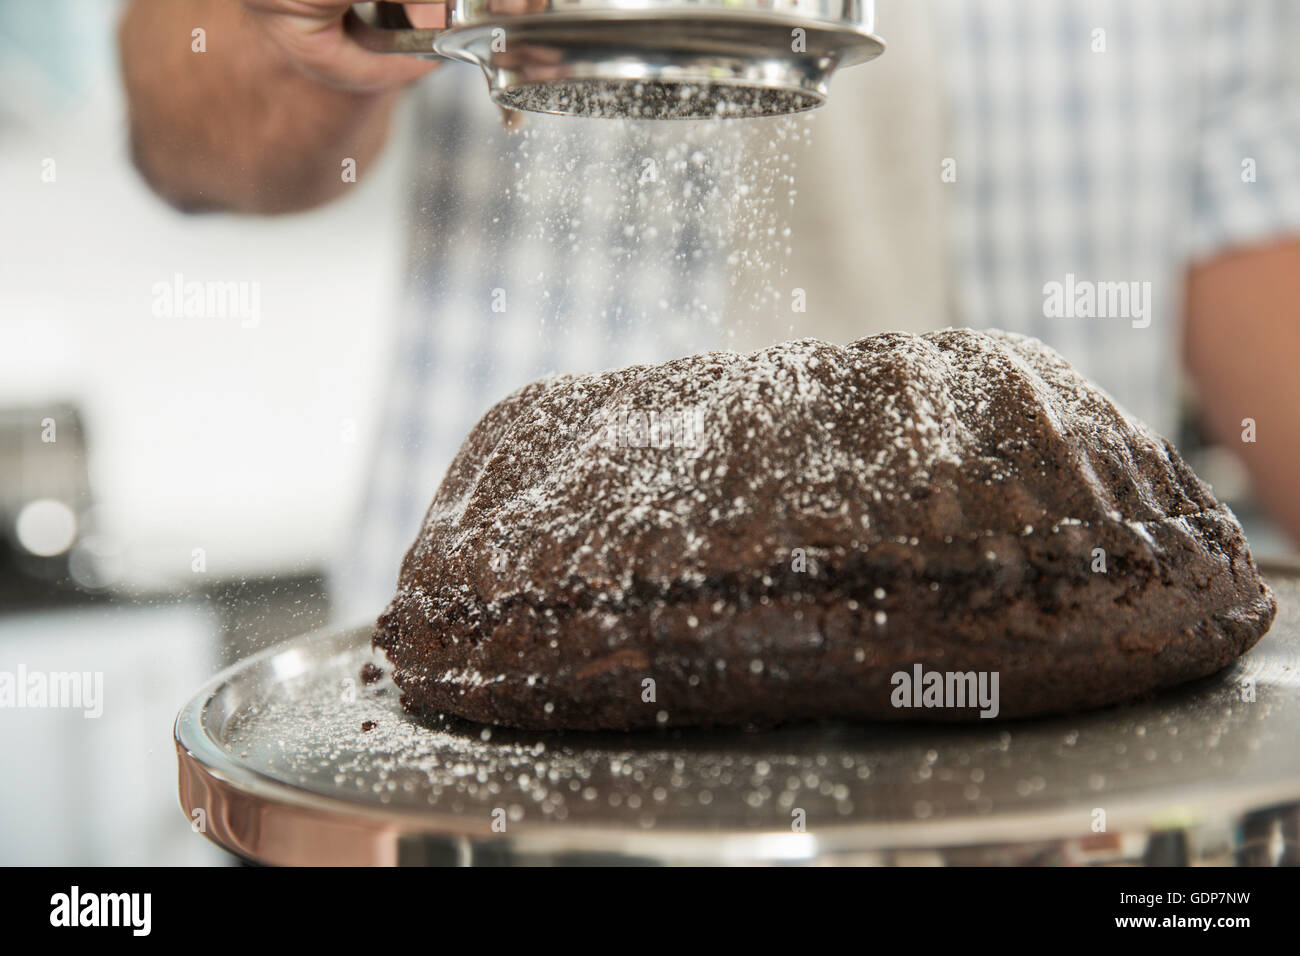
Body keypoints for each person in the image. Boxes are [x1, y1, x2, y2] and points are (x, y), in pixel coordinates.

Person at [119, 0, 1300, 622]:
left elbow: (1250, 244)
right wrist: (303, 27)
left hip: (1054, 706)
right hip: (508, 714)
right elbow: (189, 132)